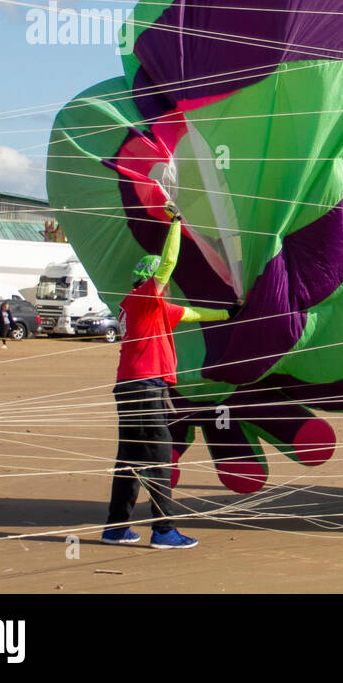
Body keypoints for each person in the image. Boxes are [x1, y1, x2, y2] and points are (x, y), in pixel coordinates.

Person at [102, 208, 236, 550]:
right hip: (146, 387)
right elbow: (167, 265)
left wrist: (228, 314)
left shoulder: (146, 308)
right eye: (161, 284)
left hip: (132, 387)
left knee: (130, 459)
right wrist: (176, 222)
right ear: (147, 281)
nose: (167, 287)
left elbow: (193, 314)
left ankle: (116, 528)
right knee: (160, 458)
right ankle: (164, 531)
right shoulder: (145, 299)